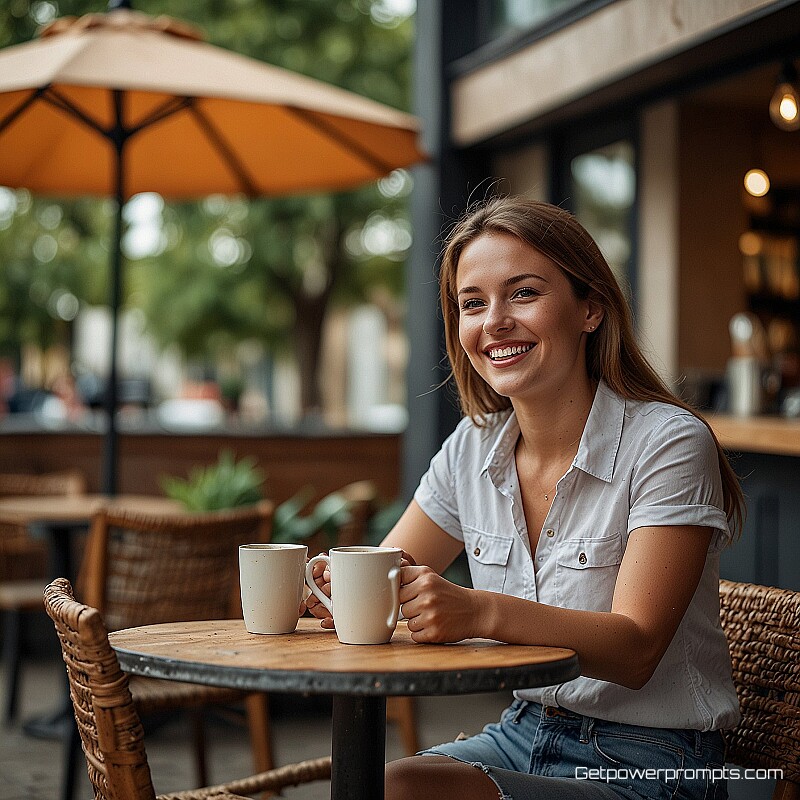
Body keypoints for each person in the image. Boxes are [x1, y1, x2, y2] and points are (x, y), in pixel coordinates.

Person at [307, 196, 745, 800]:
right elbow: (388, 575)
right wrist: (337, 592)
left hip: (654, 759)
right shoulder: (472, 446)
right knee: (378, 786)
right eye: (472, 303)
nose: (494, 322)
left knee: (403, 791)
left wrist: (479, 612)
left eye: (524, 293)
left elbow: (636, 650)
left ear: (590, 308)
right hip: (523, 731)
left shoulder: (667, 442)